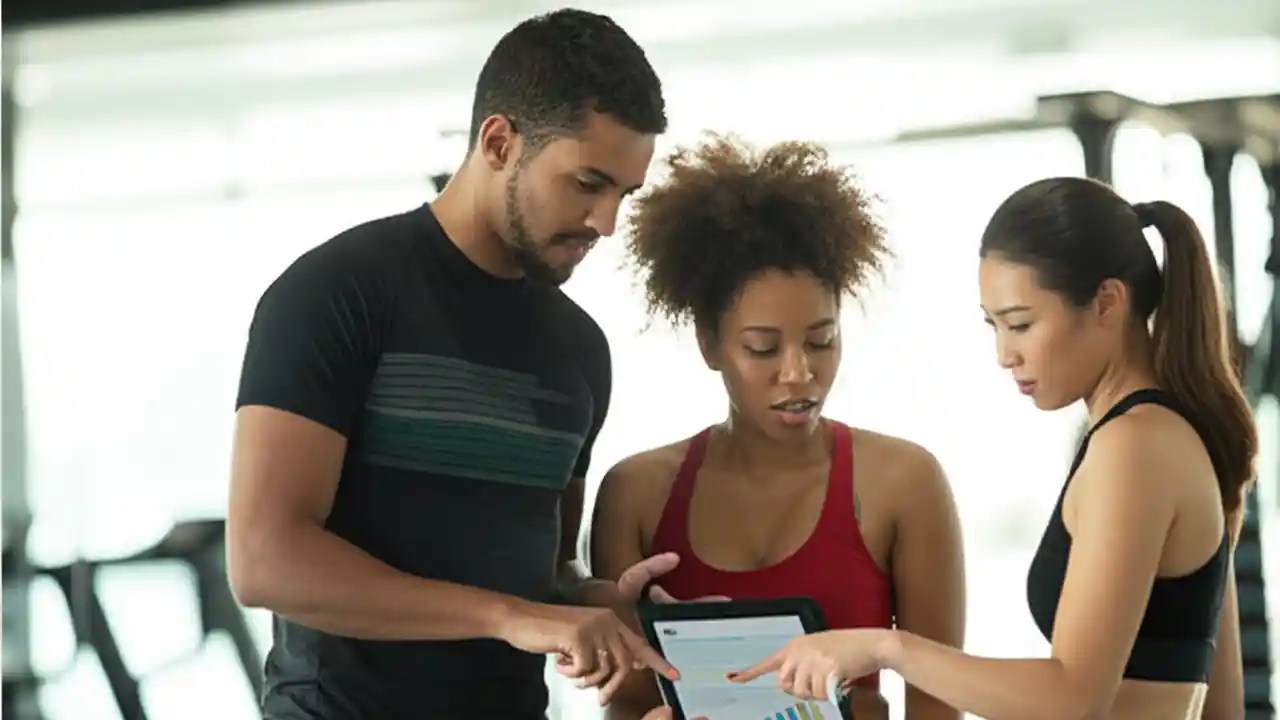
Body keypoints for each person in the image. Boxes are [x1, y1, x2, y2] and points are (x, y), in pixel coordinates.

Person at [226, 9, 692, 719]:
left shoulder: (580, 351)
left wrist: (596, 605)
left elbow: (544, 576)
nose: (606, 223)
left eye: (623, 194)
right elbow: (264, 560)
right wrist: (507, 615)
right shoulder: (336, 294)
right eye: (586, 183)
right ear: (500, 142)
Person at [729, 176, 1253, 719]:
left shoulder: (1135, 446)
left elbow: (1071, 697)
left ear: (1106, 302)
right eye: (993, 326)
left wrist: (885, 646)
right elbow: (1224, 703)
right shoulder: (1162, 435)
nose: (1006, 354)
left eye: (1021, 324)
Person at [590, 135, 967, 720]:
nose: (799, 373)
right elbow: (627, 705)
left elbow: (938, 706)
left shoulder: (903, 481)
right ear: (709, 344)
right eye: (762, 348)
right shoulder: (636, 492)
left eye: (822, 340)